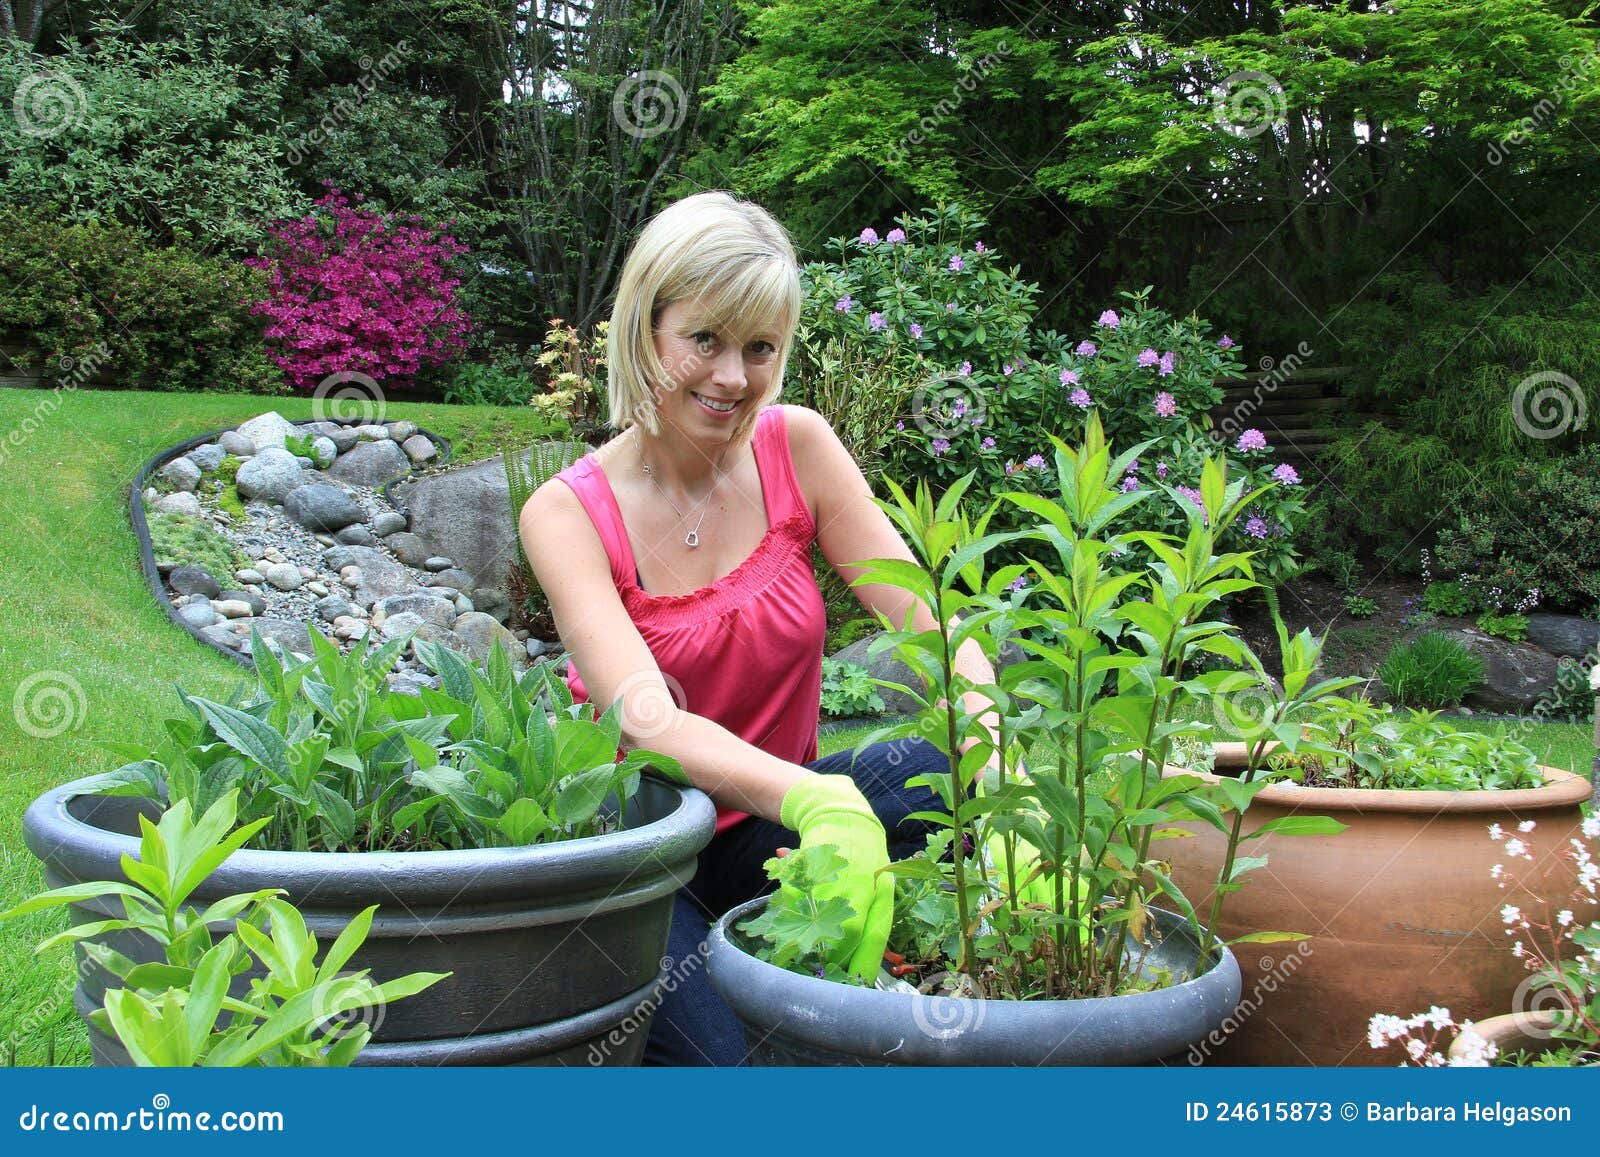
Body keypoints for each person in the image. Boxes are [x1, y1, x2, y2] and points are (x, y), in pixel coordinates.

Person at [518, 190, 1000, 1066]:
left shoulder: (797, 448)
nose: (734, 377)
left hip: (767, 834)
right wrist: (816, 798)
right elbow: (644, 720)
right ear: (646, 329)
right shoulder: (567, 514)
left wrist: (996, 754)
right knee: (732, 1073)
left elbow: (932, 623)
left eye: (760, 347)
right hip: (644, 857)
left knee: (944, 772)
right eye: (705, 339)